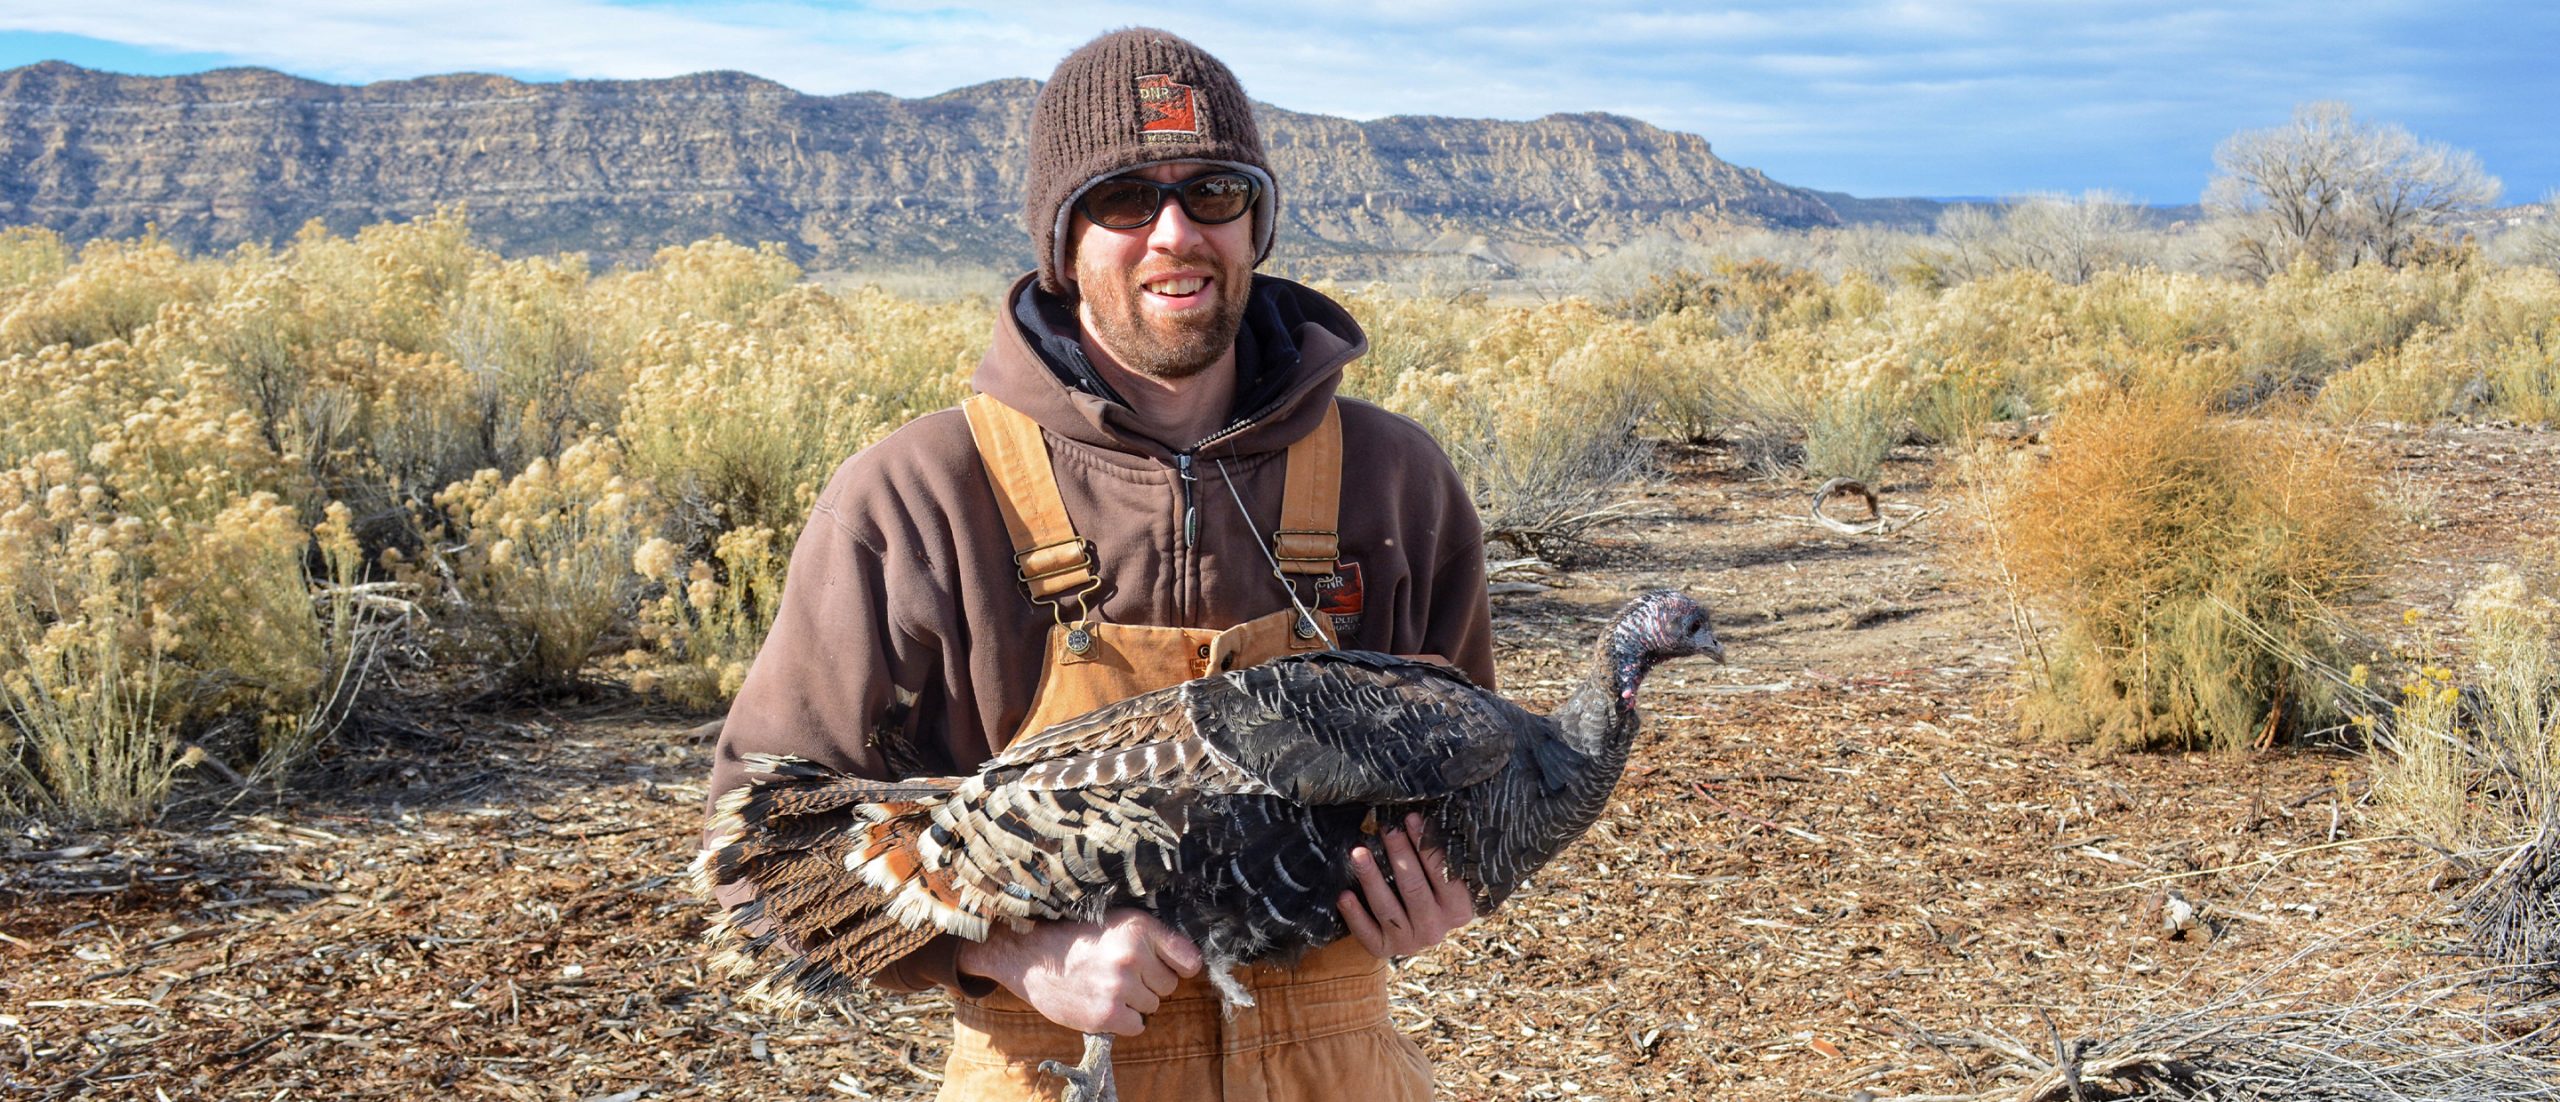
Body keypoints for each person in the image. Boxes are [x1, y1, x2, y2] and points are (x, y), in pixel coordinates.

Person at [705, 26, 1495, 1101]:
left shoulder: (1393, 478)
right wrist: (1003, 951)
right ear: (1059, 240)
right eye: (1123, 199)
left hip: (1340, 1065)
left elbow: (1474, 789)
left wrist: (1443, 883)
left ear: (1255, 223)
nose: (1175, 233)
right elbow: (760, 843)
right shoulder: (918, 492)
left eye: (1215, 191)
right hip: (1047, 1064)